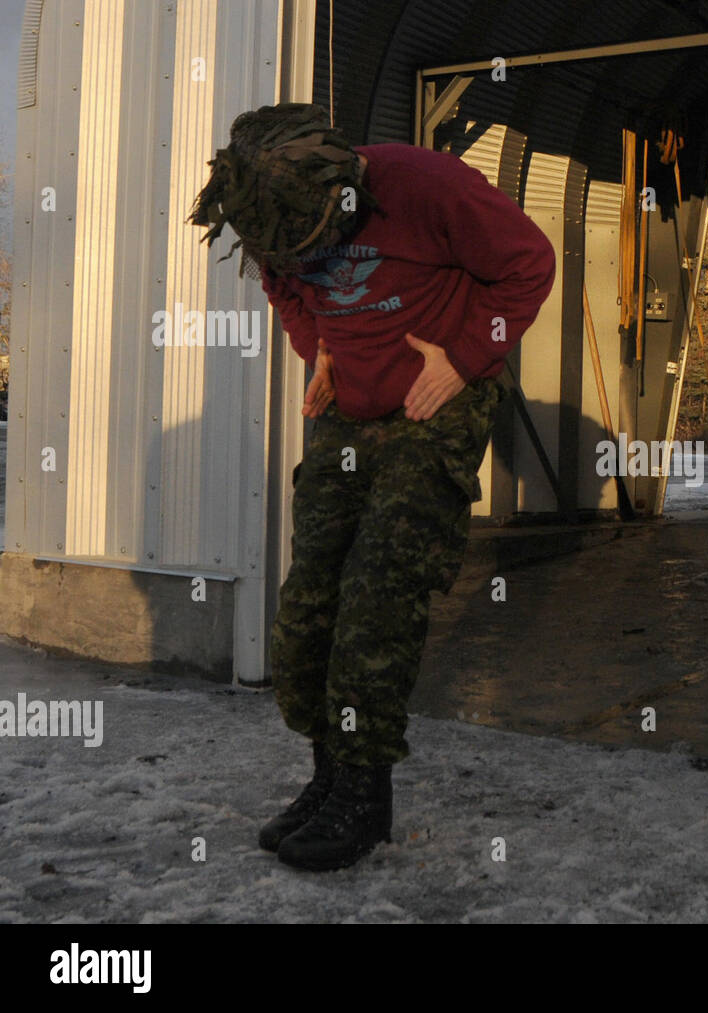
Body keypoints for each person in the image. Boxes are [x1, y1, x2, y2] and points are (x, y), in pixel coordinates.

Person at [189, 103, 555, 870]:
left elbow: (530, 262)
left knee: (376, 596)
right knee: (309, 607)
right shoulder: (272, 210)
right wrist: (316, 345)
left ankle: (364, 794)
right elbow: (286, 288)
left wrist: (462, 358)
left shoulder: (424, 186)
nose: (300, 256)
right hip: (348, 409)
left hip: (436, 402)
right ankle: (327, 777)